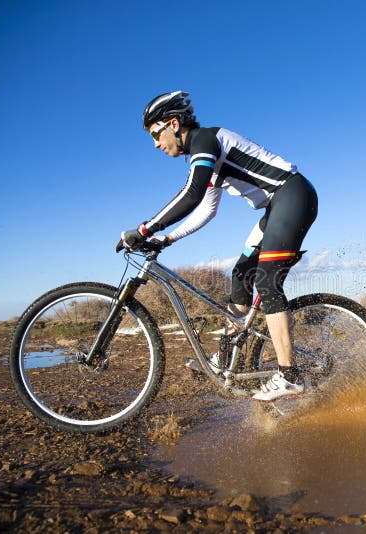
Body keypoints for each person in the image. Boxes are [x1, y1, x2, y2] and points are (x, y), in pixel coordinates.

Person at [118, 91, 318, 402]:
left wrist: (145, 228)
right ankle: (224, 358)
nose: (156, 144)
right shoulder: (207, 155)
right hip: (276, 206)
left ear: (173, 123)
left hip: (292, 196)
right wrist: (167, 238)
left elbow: (191, 193)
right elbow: (206, 209)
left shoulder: (206, 140)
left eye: (157, 134)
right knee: (241, 274)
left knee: (266, 280)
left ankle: (290, 375)